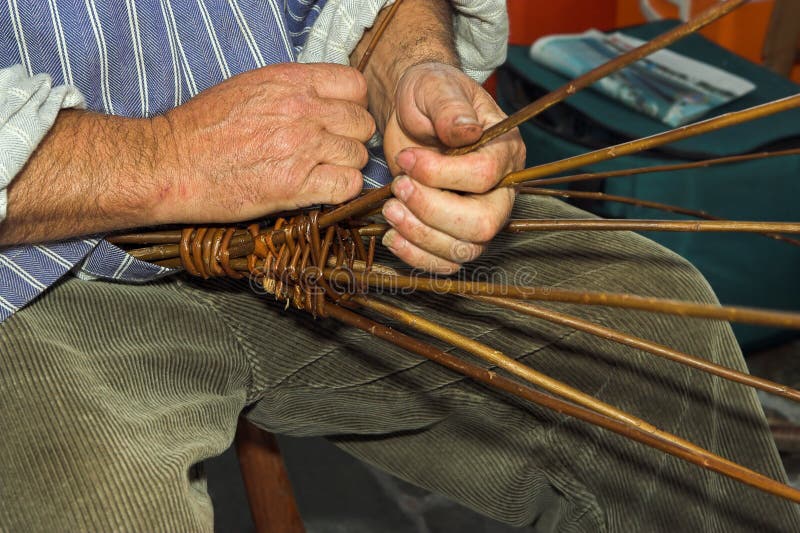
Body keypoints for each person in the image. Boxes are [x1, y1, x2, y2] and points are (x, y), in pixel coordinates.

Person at [0, 1, 796, 531]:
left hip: (324, 209)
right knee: (102, 508)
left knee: (653, 330)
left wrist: (410, 68)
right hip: (35, 272)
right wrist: (167, 158)